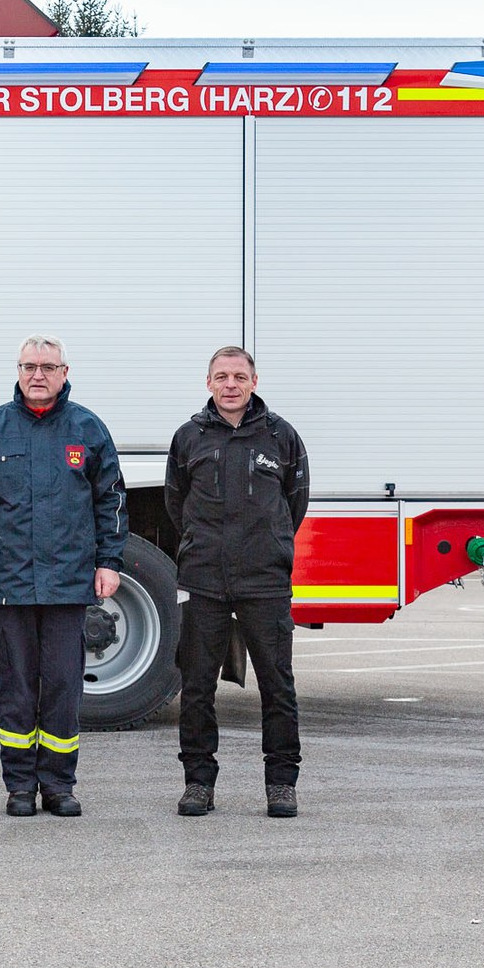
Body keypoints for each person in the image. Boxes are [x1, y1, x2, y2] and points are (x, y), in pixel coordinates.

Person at [0, 334, 125, 818]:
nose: (38, 375)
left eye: (48, 367)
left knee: (61, 687)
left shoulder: (88, 429)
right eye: (30, 366)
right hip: (8, 587)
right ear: (17, 370)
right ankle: (18, 787)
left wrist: (109, 562)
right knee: (15, 688)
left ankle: (58, 785)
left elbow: (110, 500)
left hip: (67, 586)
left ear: (64, 373)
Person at [164, 346, 309, 819]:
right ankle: (199, 783)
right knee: (198, 686)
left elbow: (296, 503)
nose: (231, 384)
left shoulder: (281, 437)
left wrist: (267, 547)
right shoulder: (189, 438)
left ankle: (281, 784)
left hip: (264, 581)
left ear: (254, 381)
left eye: (240, 376)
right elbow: (175, 504)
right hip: (203, 579)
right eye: (222, 376)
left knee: (277, 685)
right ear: (208, 383)